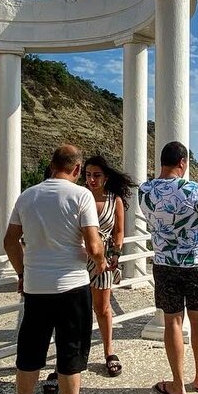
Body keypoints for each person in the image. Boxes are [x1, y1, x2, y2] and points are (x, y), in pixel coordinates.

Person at [3, 145, 105, 394]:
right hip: (72, 287)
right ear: (76, 170)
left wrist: (23, 272)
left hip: (36, 288)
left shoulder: (28, 195)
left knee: (30, 353)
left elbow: (10, 241)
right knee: (70, 353)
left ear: (51, 166)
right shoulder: (81, 195)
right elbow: (95, 245)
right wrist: (98, 264)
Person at [138, 141, 198, 394]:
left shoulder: (145, 190)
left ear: (161, 162)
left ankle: (177, 385)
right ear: (183, 163)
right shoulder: (192, 189)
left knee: (172, 321)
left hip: (164, 264)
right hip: (196, 264)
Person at [82, 154, 134, 377]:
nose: (92, 179)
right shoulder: (79, 197)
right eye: (88, 175)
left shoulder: (115, 200)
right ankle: (73, 357)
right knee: (76, 310)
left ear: (105, 177)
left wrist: (116, 253)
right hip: (78, 257)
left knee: (102, 307)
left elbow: (119, 231)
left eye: (96, 175)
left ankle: (109, 351)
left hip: (103, 259)